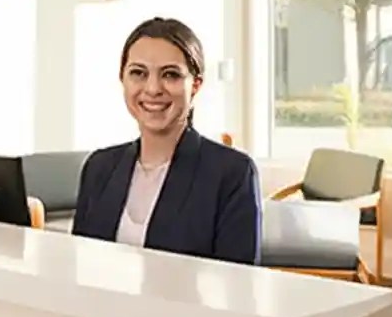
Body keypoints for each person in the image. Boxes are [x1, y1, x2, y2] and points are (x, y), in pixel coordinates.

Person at [70, 17, 262, 265]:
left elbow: (239, 281)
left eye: (170, 75)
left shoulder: (232, 173)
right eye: (138, 73)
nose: (153, 88)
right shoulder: (99, 167)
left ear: (195, 86)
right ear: (122, 80)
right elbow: (82, 267)